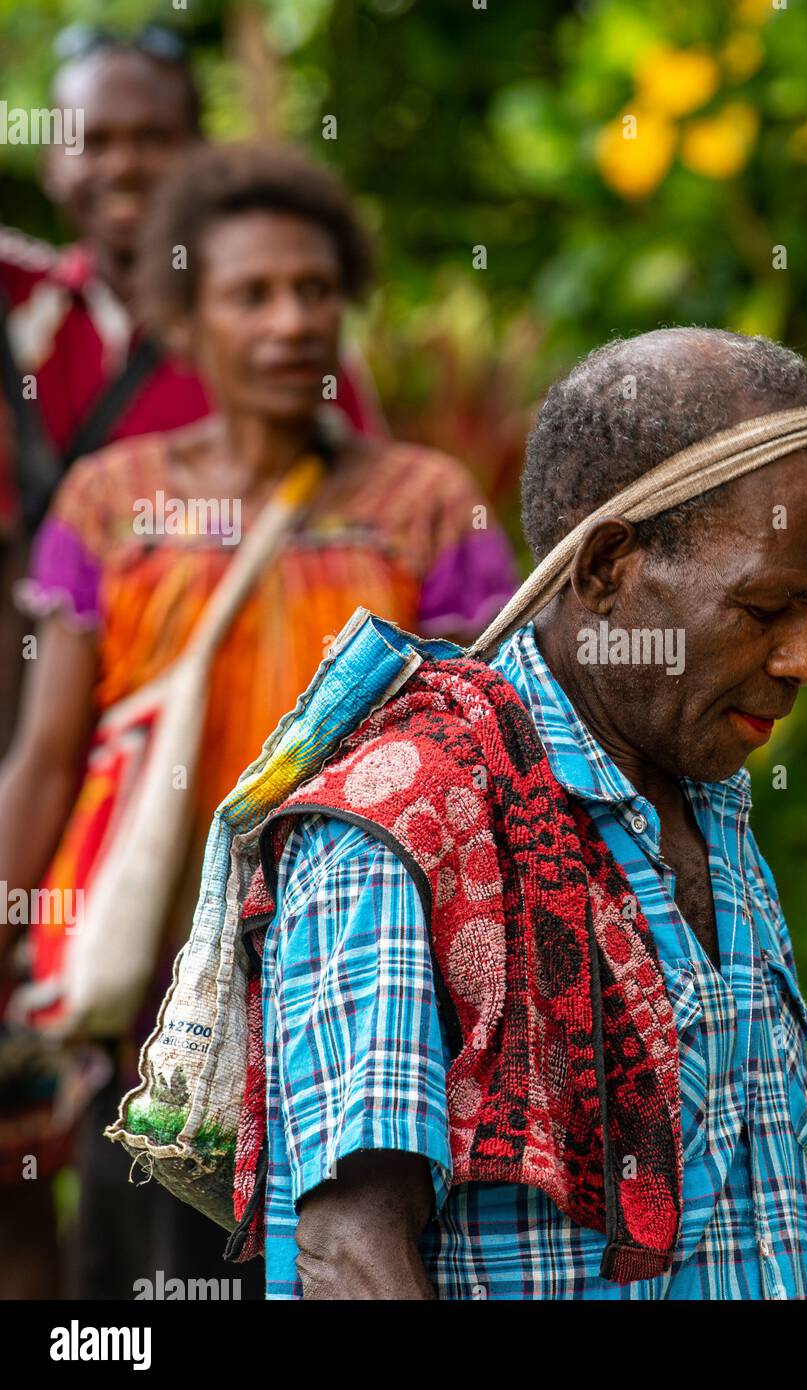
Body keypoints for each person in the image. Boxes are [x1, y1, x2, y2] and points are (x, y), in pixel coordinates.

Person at [0, 141, 517, 1298]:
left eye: (315, 290)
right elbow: (44, 757)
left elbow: (491, 747)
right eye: (252, 294)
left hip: (362, 987)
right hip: (153, 1010)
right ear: (185, 321)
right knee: (134, 1287)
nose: (292, 321)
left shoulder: (422, 506)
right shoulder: (109, 504)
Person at [245, 327, 807, 1299]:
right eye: (764, 608)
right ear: (609, 566)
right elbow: (346, 1257)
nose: (805, 657)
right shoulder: (407, 823)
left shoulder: (704, 798)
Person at [0, 25, 382, 753]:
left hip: (236, 729)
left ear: (202, 155)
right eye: (92, 140)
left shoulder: (277, 340)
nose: (124, 165)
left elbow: (375, 521)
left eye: (153, 138)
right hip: (43, 734)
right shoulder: (22, 310)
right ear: (52, 161)